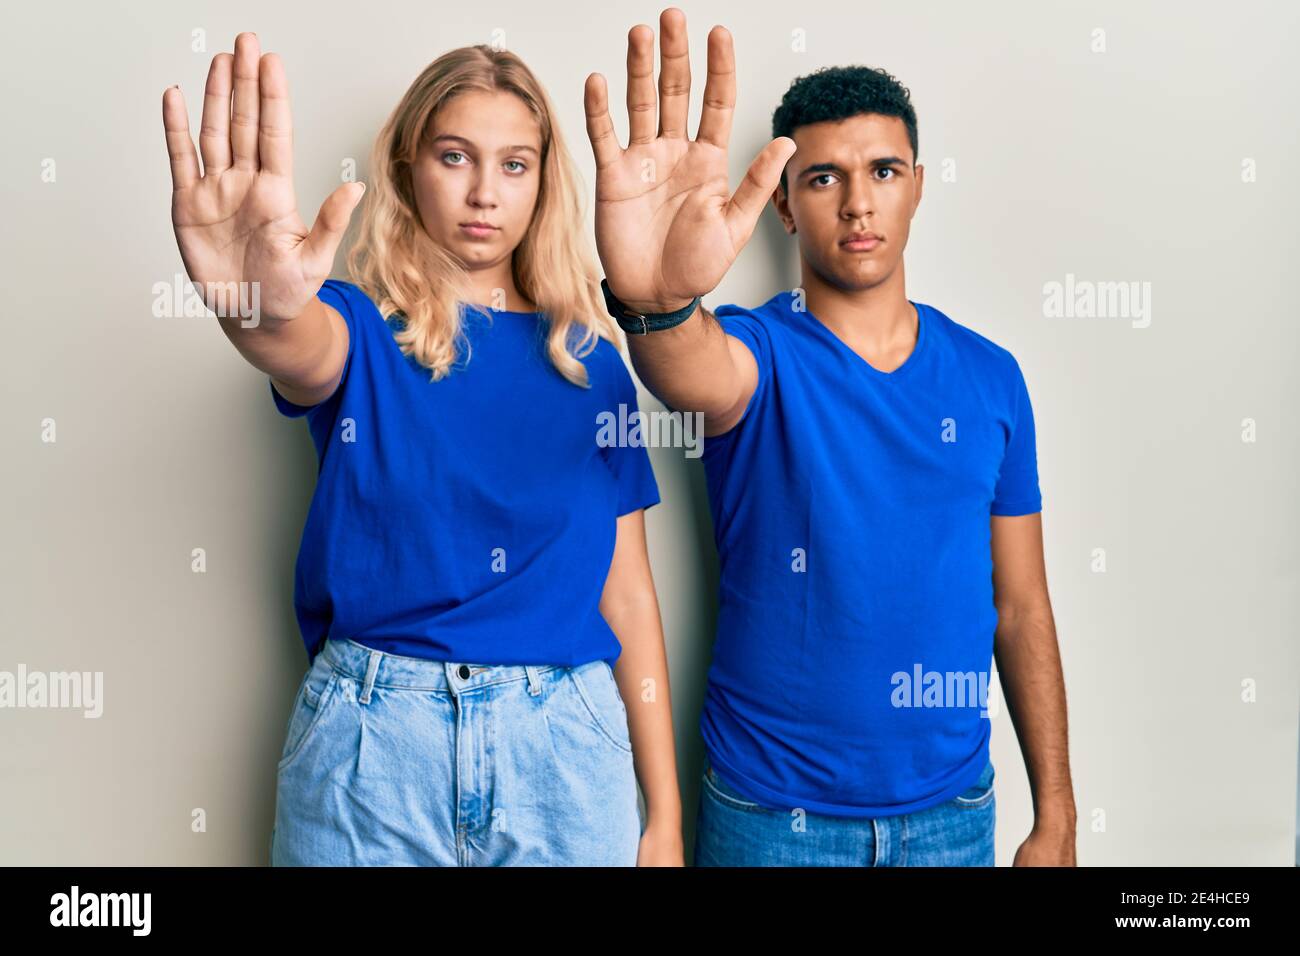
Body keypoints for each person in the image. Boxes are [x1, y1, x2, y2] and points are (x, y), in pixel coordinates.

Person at [161, 32, 683, 866]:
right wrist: (246, 302)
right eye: (455, 157)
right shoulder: (359, 328)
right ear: (408, 168)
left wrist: (664, 815)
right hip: (373, 748)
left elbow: (629, 597)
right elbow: (291, 342)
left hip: (564, 750)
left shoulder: (593, 365)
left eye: (515, 164)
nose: (485, 193)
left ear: (545, 180)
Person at [585, 8, 1076, 866]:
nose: (858, 202)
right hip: (773, 818)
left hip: (954, 817)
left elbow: (1022, 607)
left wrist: (1059, 814)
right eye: (822, 179)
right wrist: (653, 303)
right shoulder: (759, 352)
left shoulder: (992, 378)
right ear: (781, 203)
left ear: (918, 185)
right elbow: (689, 368)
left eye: (883, 171)